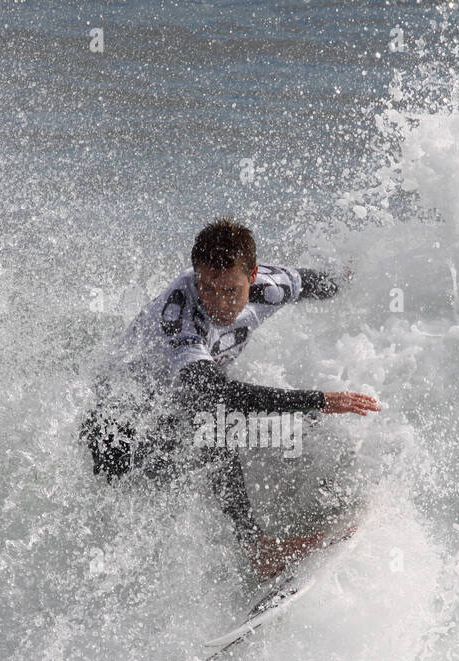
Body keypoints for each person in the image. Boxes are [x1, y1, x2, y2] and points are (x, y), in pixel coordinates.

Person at [80, 218, 380, 580]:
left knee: (293, 422)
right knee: (216, 419)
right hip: (116, 435)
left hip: (168, 409)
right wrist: (319, 398)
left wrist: (349, 280)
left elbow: (312, 284)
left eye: (230, 290)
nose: (218, 302)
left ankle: (328, 499)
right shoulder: (182, 318)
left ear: (252, 275)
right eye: (207, 288)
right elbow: (213, 394)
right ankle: (258, 551)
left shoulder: (271, 287)